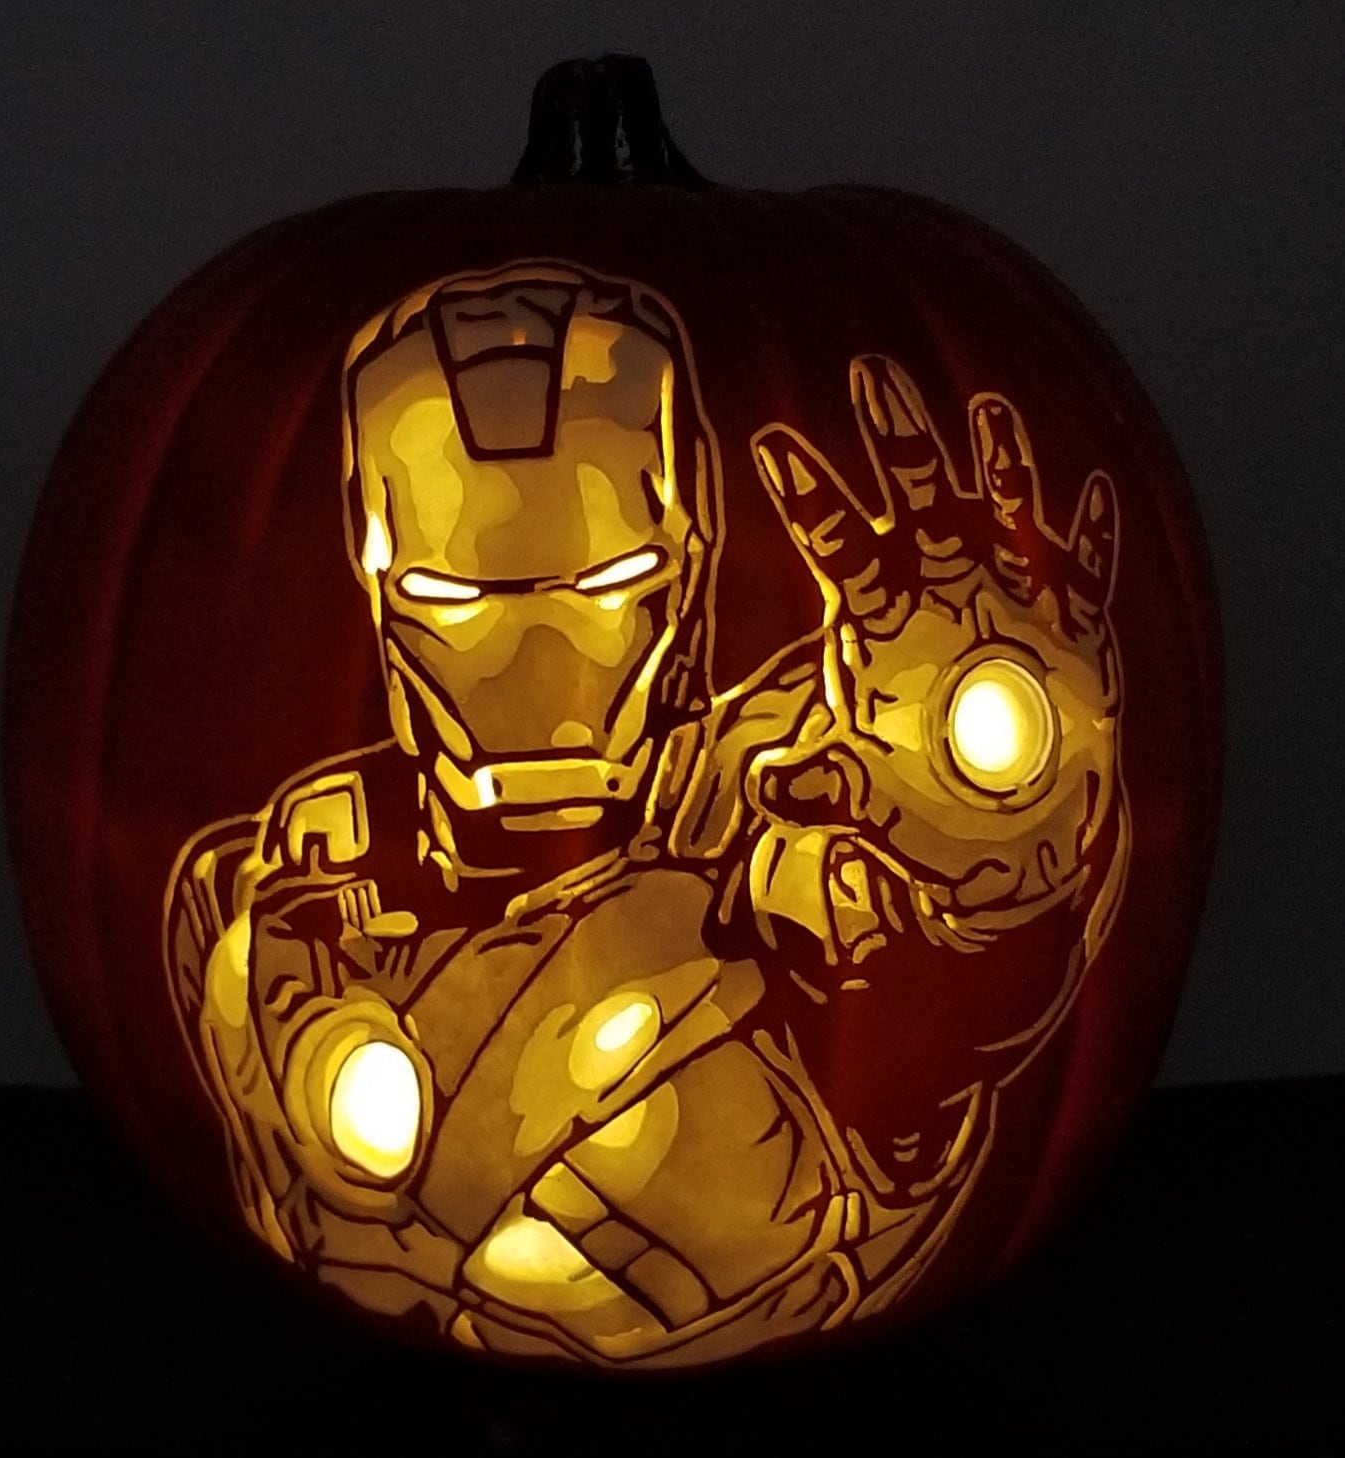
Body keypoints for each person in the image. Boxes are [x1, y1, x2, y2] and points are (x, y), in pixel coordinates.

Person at [164, 261, 1127, 1367]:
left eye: (604, 580)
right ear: (374, 573)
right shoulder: (314, 856)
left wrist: (991, 835)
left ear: (687, 544)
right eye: (453, 594)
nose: (533, 657)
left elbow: (904, 997)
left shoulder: (776, 787)